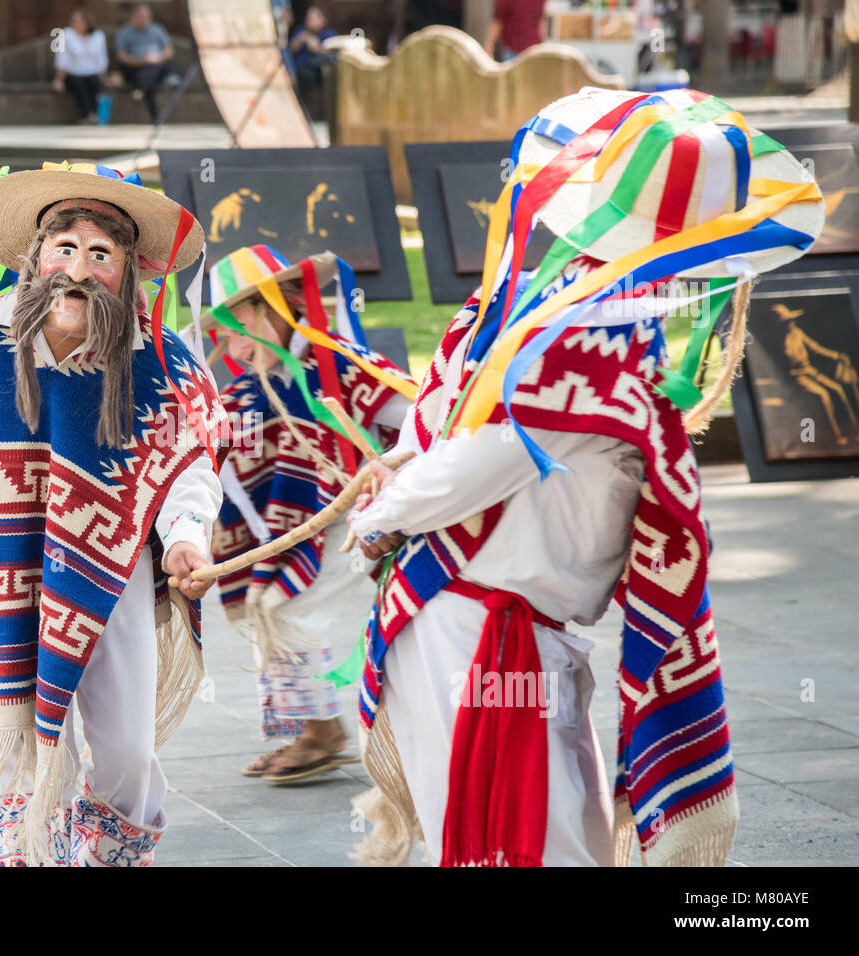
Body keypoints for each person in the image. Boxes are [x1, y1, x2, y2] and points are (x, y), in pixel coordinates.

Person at [344, 87, 824, 867]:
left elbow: (483, 447)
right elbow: (485, 449)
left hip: (500, 624)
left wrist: (384, 514)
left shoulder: (581, 313)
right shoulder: (588, 323)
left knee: (542, 828)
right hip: (481, 622)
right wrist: (389, 506)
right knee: (537, 834)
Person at [0, 160, 231, 866]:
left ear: (129, 269)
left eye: (100, 253)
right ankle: (32, 852)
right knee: (14, 740)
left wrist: (184, 537)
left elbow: (188, 461)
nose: (78, 270)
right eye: (64, 249)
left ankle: (120, 849)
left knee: (125, 745)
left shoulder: (159, 360)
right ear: (34, 257)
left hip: (109, 569)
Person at [200, 245, 416, 783]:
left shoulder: (336, 361)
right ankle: (308, 728)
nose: (228, 344)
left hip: (359, 518)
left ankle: (322, 731)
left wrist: (391, 493)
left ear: (273, 306)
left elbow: (419, 420)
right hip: (312, 520)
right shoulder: (255, 387)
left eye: (235, 325)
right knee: (268, 606)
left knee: (281, 608)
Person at [114, 4, 173, 123]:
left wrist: (157, 58)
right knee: (147, 79)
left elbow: (169, 51)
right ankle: (155, 117)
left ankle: (141, 88)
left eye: (145, 17)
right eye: (139, 17)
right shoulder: (125, 32)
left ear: (150, 18)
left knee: (152, 71)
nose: (142, 20)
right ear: (132, 17)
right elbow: (121, 56)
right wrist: (140, 61)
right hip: (134, 68)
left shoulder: (158, 30)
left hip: (156, 66)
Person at [52, 7, 107, 124]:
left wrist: (103, 76)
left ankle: (95, 115)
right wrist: (59, 80)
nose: (76, 24)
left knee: (94, 82)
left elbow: (101, 58)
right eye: (74, 21)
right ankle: (89, 115)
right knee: (79, 84)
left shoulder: (98, 36)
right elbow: (62, 58)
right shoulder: (66, 34)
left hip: (92, 72)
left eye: (80, 21)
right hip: (73, 73)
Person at [289, 6, 336, 105]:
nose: (310, 21)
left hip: (321, 74)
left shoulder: (329, 35)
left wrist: (318, 49)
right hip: (302, 73)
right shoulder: (300, 32)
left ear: (323, 20)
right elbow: (289, 52)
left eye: (314, 19)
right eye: (309, 18)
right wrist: (301, 40)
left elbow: (334, 56)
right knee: (305, 76)